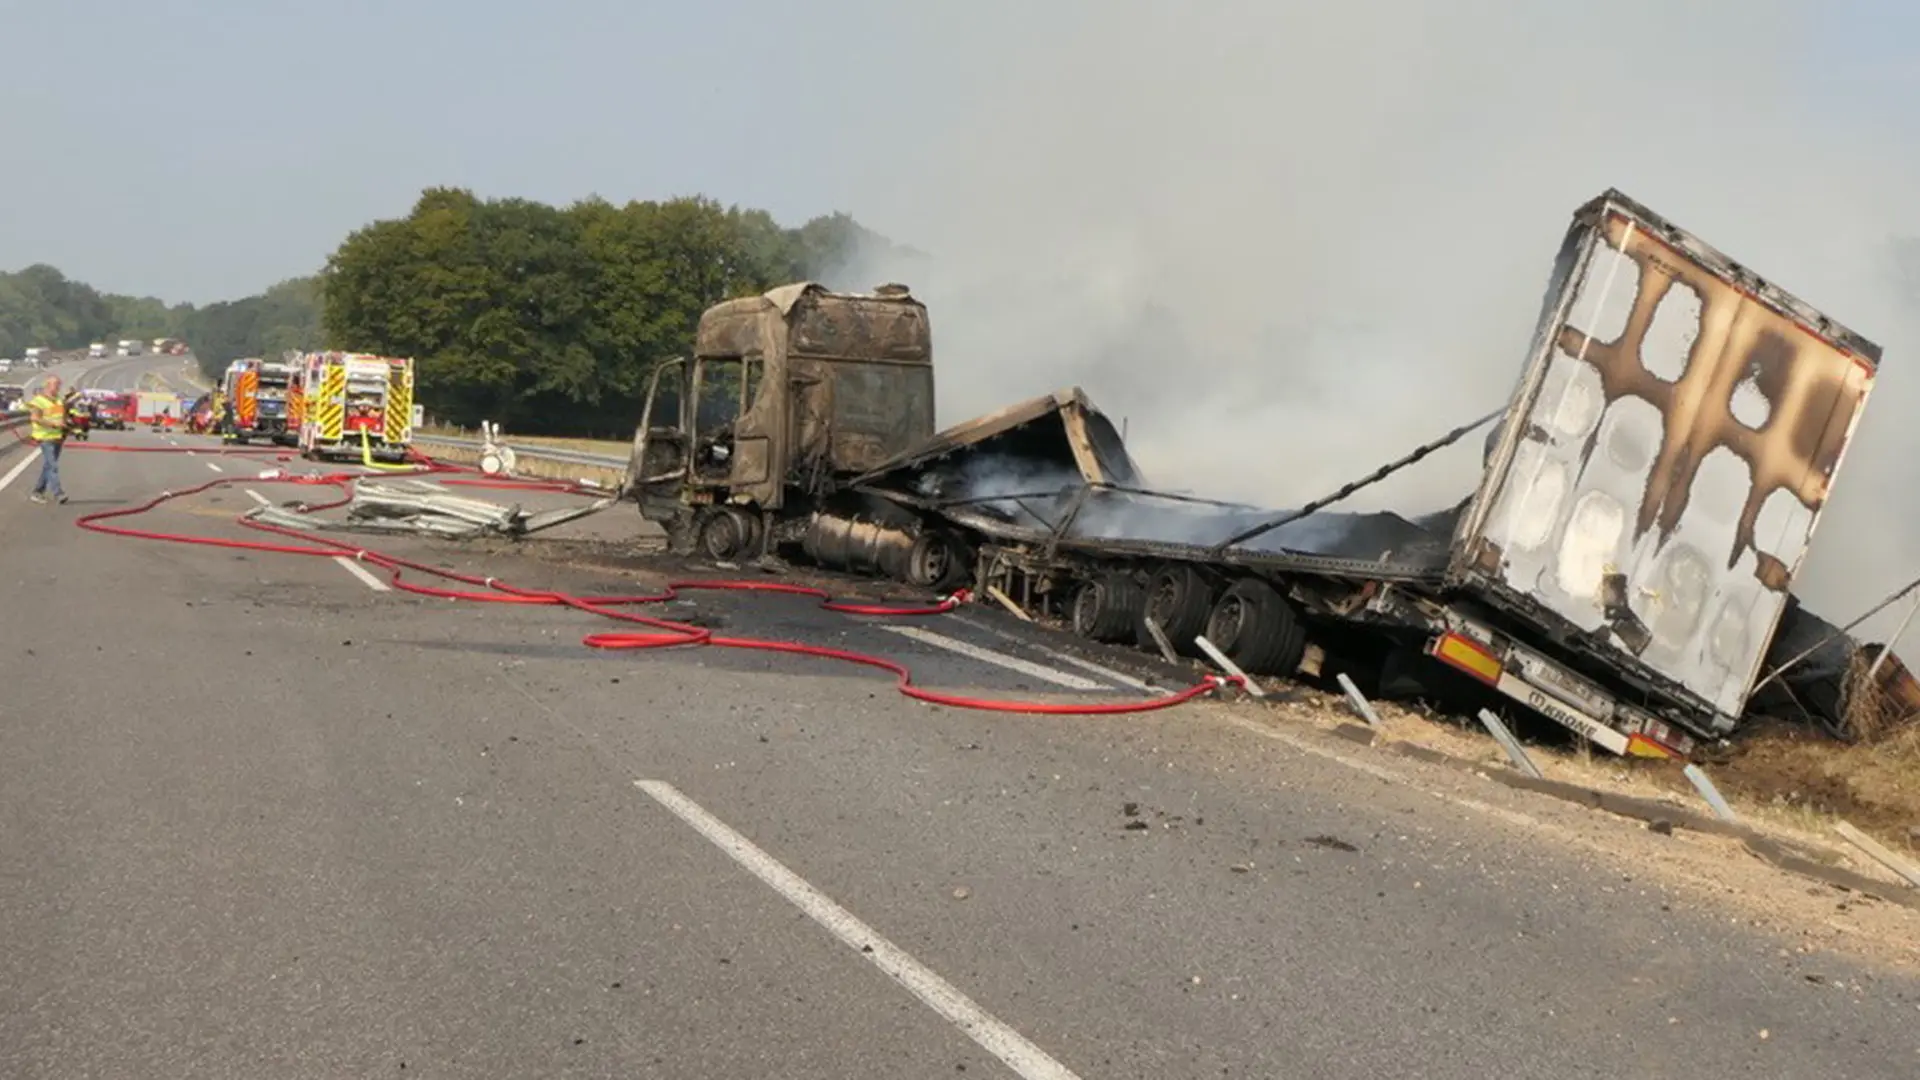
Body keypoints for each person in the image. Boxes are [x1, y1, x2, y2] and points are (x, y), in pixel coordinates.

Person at [25, 375, 69, 504]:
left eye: (59, 385)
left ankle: (37, 492)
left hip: (57, 437)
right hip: (44, 437)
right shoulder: (38, 401)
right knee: (52, 466)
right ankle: (58, 493)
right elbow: (35, 418)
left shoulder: (59, 401)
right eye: (56, 385)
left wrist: (65, 424)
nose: (58, 387)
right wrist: (53, 424)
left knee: (48, 466)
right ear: (48, 385)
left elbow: (61, 416)